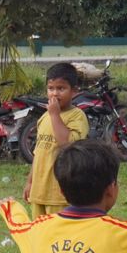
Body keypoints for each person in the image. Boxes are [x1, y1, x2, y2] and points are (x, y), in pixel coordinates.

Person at [24, 62, 90, 217]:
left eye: (61, 88)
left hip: (60, 193)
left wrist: (55, 115)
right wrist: (30, 182)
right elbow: (38, 153)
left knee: (58, 236)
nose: (54, 94)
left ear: (74, 91)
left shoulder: (77, 116)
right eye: (51, 88)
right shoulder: (44, 117)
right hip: (39, 191)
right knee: (41, 235)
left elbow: (67, 144)